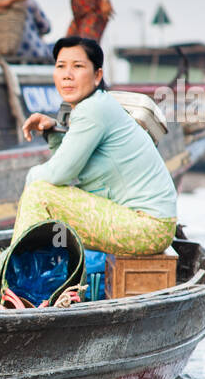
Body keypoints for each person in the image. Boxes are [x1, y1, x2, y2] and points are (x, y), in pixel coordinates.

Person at [13, 36, 176, 255]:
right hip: (145, 222)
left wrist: (30, 185)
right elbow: (70, 166)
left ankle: (19, 278)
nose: (67, 75)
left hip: (147, 226)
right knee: (42, 191)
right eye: (61, 66)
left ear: (97, 75)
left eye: (78, 66)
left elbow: (59, 174)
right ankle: (28, 272)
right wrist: (52, 131)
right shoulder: (94, 106)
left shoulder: (93, 109)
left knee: (39, 193)